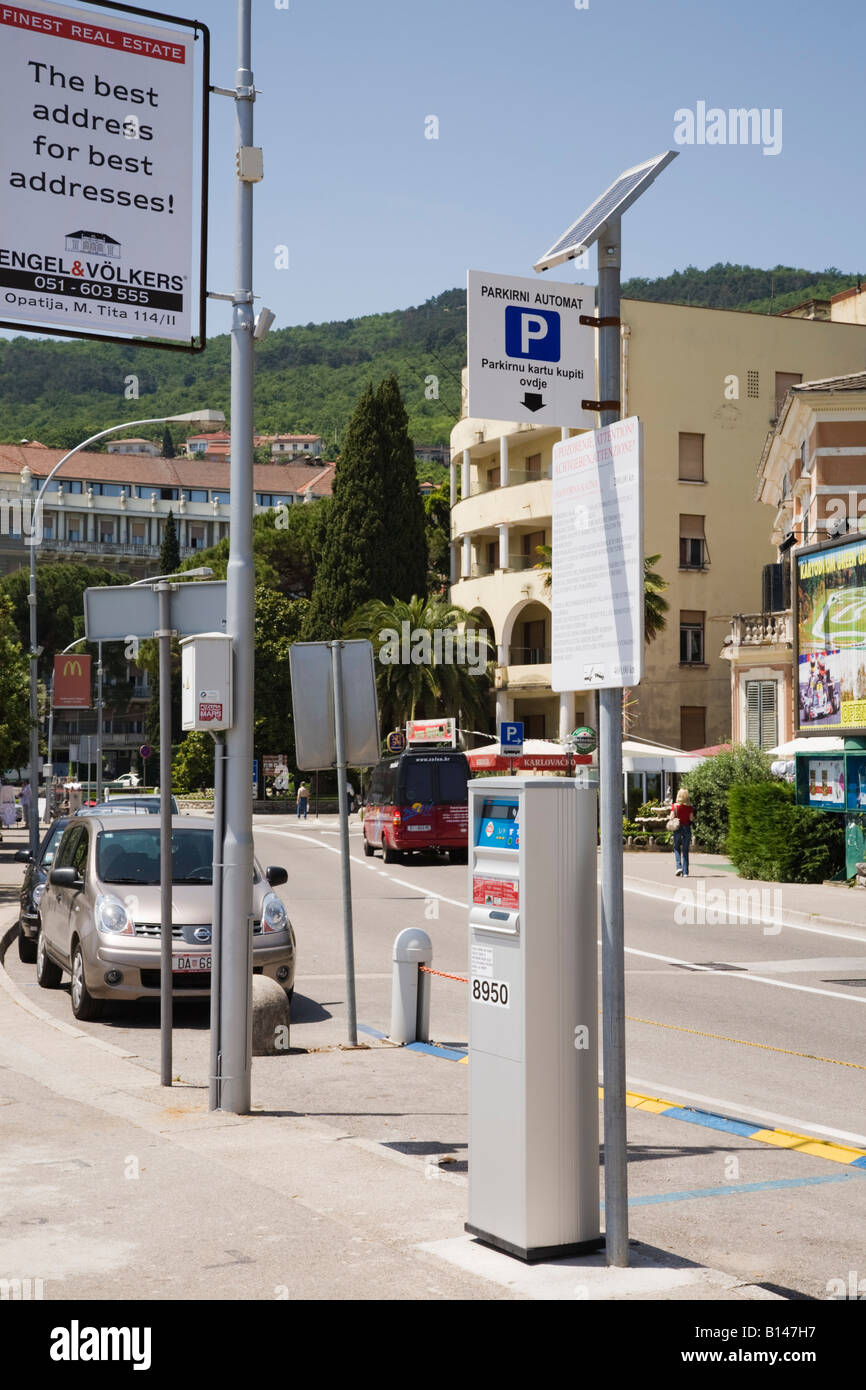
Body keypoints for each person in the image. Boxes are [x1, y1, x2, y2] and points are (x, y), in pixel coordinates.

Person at [671, 787, 693, 877]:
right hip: (686, 828)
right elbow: (691, 818)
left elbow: (671, 817)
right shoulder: (690, 807)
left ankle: (678, 867)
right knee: (685, 850)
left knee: (676, 847)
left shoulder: (675, 806)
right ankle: (685, 872)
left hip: (677, 828)